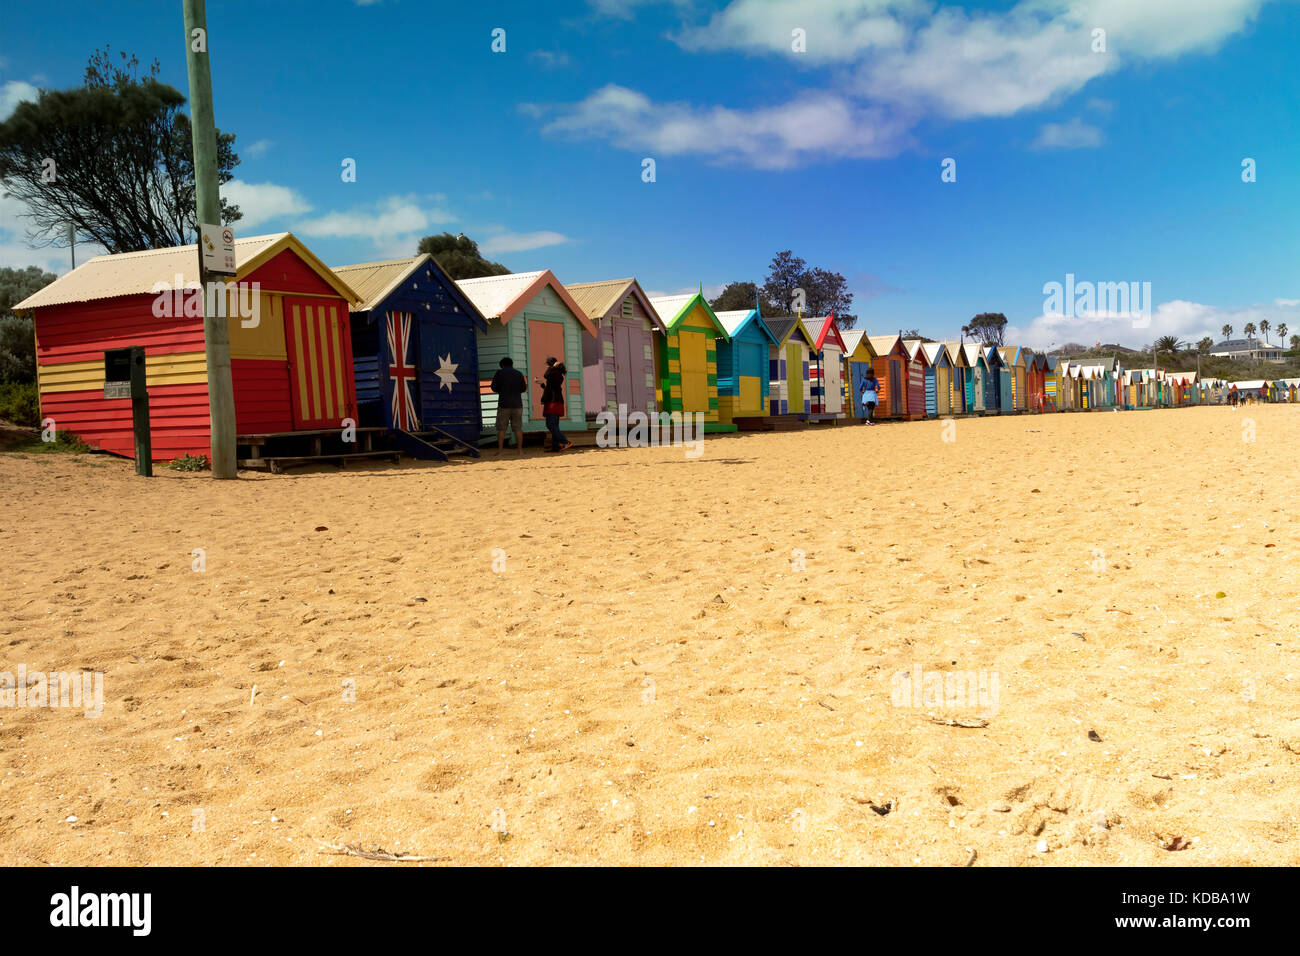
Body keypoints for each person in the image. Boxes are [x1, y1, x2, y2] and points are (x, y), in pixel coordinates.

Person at [490, 356, 527, 457]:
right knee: (518, 428)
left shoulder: (499, 373)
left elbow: (493, 387)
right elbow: (523, 388)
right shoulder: (519, 374)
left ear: (502, 365)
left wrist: (501, 391)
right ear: (512, 364)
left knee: (502, 429)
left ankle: (500, 451)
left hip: (504, 404)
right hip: (517, 404)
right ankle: (520, 451)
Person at [537, 357, 573, 451]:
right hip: (556, 401)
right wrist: (542, 384)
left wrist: (552, 367)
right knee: (554, 426)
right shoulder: (557, 374)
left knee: (550, 425)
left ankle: (565, 442)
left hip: (554, 403)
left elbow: (546, 375)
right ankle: (555, 447)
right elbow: (551, 388)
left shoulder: (555, 374)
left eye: (548, 365)